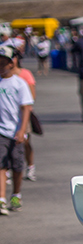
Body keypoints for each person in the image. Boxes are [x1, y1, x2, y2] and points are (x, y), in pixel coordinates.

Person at [0, 46, 33, 215]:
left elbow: (26, 108)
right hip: (1, 131)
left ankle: (16, 194)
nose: (1, 65)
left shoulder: (19, 83)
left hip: (16, 130)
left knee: (17, 166)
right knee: (1, 165)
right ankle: (1, 199)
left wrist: (22, 131)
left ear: (11, 63)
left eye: (4, 62)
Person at [10, 49, 37, 181]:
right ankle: (7, 169)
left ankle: (30, 166)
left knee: (25, 142)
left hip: (22, 114)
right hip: (5, 115)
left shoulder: (25, 74)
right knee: (6, 143)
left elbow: (32, 97)